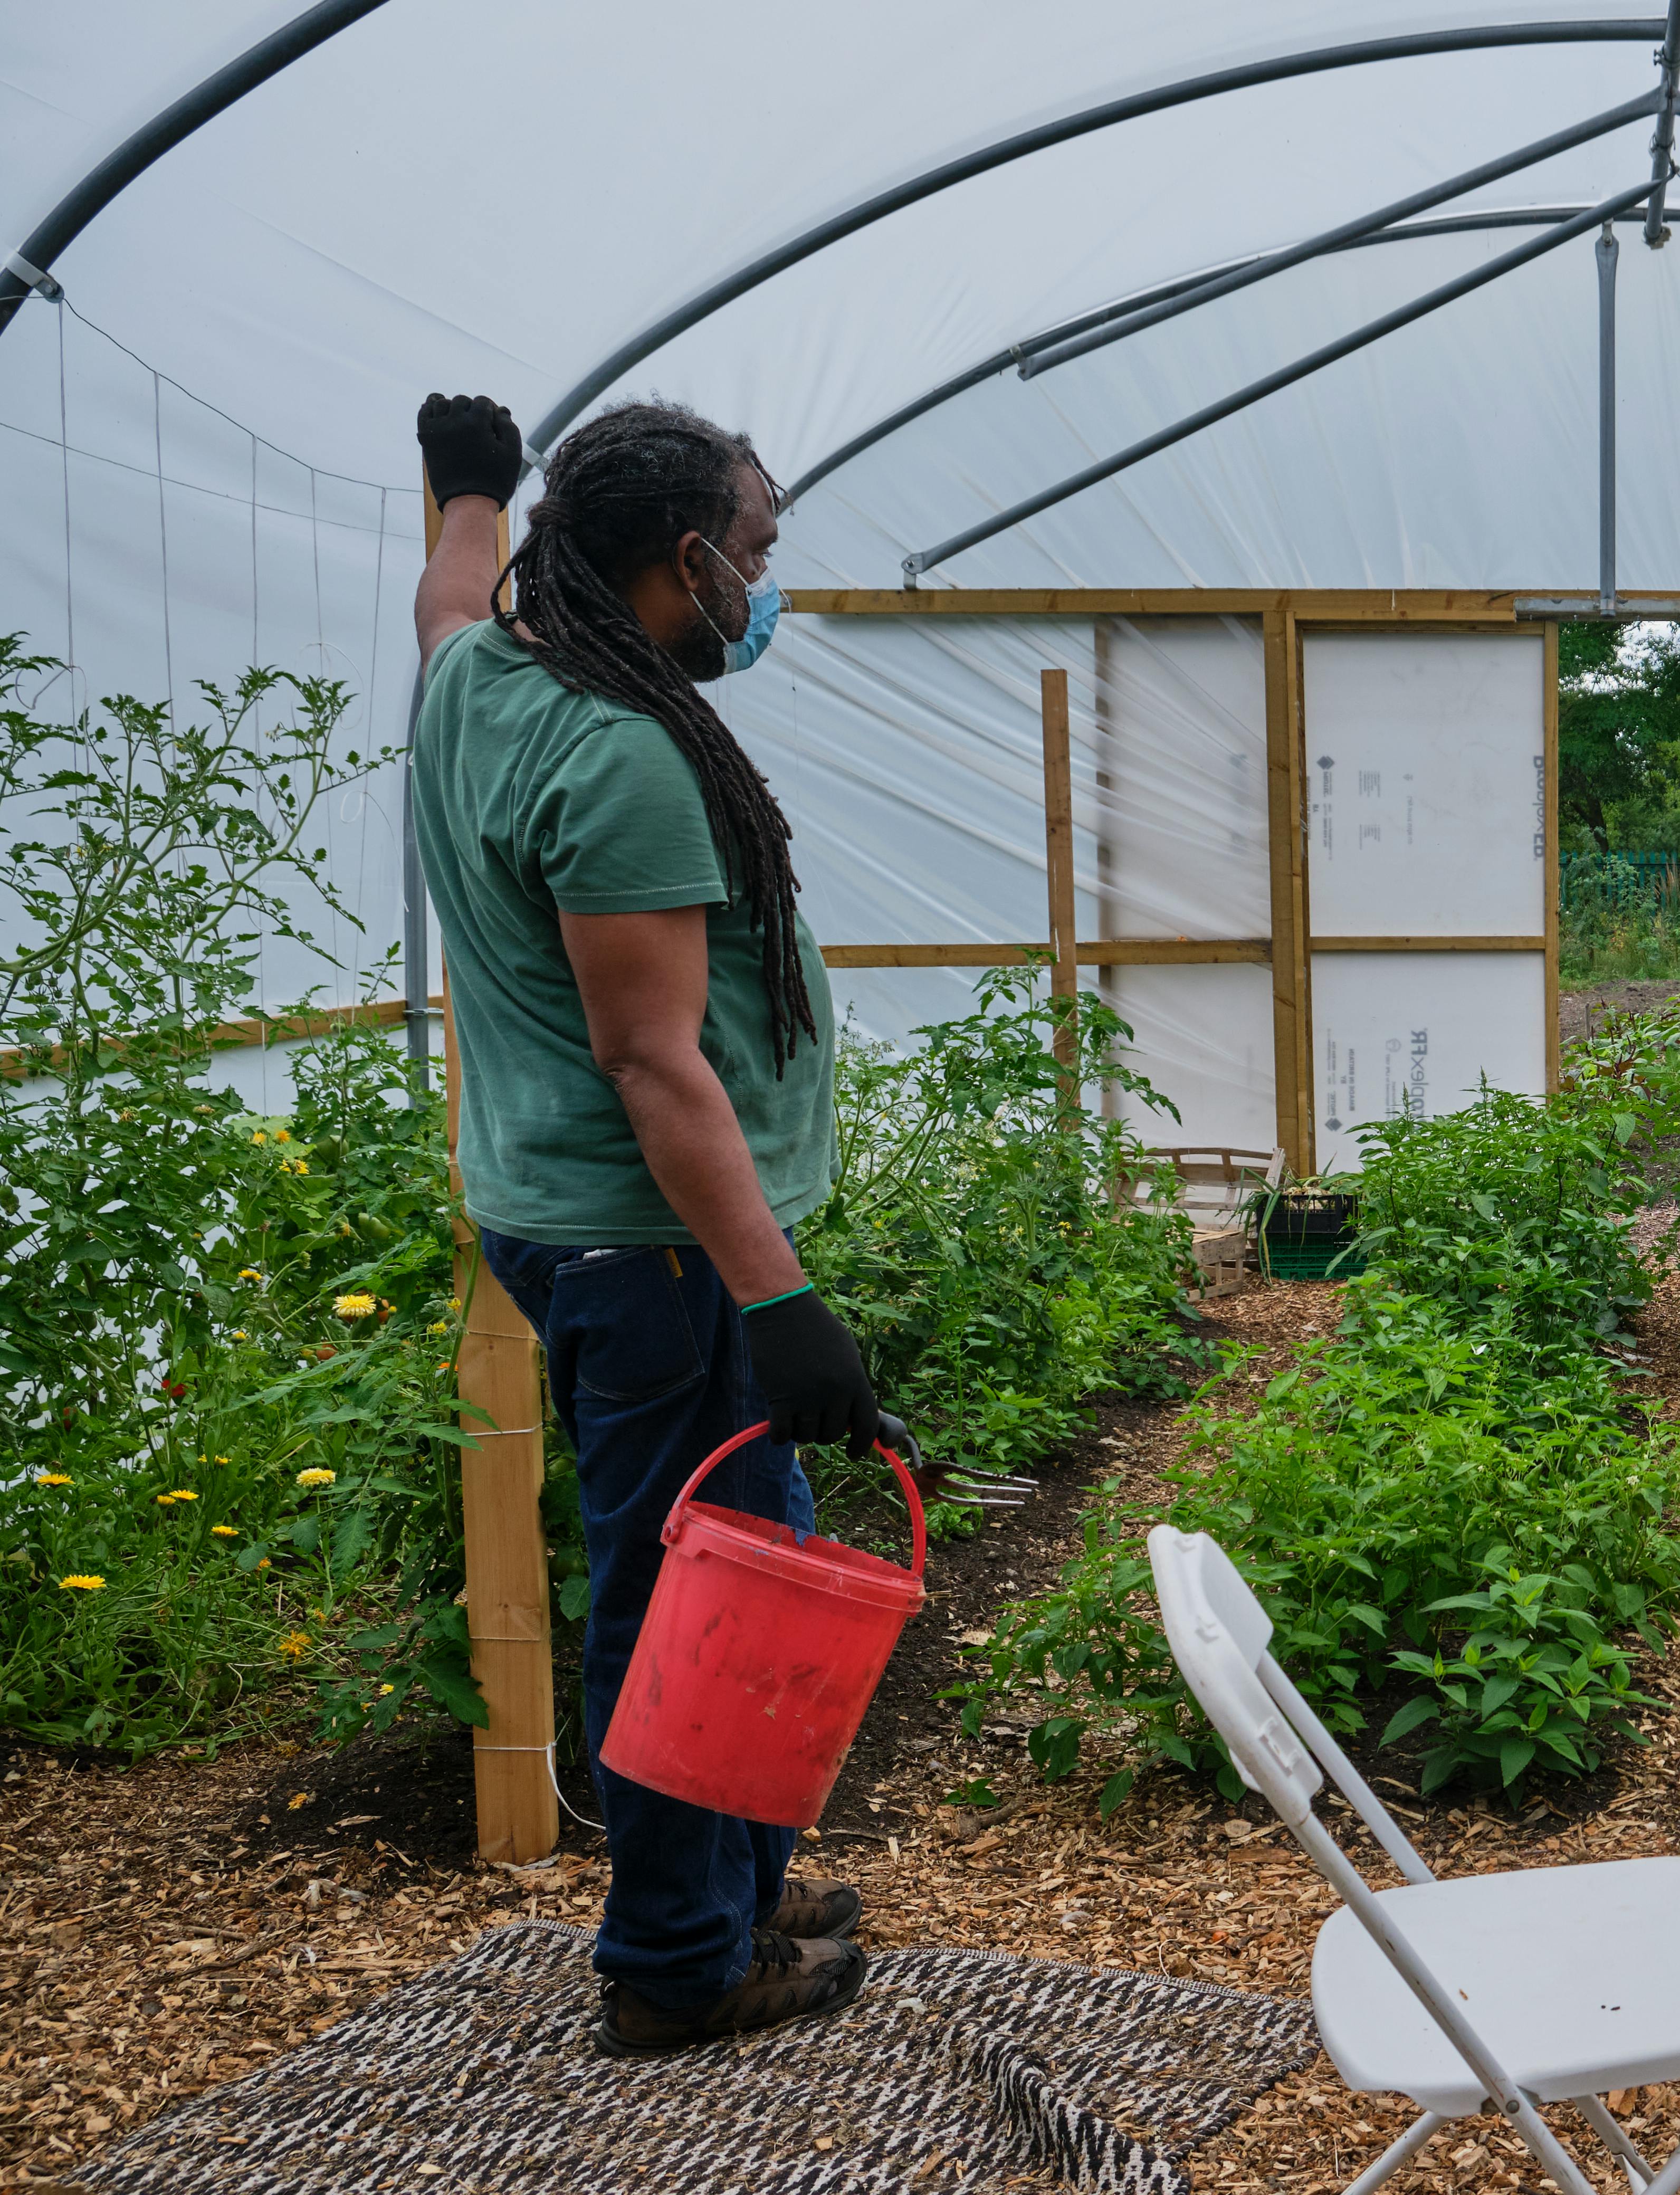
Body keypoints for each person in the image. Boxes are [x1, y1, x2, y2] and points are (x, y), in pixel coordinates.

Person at [408, 393, 877, 2055]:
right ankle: (682, 1961)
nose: (765, 580)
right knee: (697, 1593)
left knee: (748, 1549)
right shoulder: (620, 757)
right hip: (658, 1250)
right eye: (753, 551)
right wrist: (781, 1300)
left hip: (568, 1225)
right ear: (682, 560)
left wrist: (465, 494)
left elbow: (449, 597)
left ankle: (738, 1883)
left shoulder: (485, 675)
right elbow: (652, 1062)